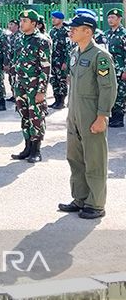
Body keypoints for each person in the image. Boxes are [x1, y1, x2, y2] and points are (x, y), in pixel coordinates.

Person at [58, 12, 116, 219]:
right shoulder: (75, 52)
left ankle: (96, 203)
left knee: (95, 160)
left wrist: (102, 116)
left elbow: (108, 88)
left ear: (87, 31)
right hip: (74, 114)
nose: (70, 30)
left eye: (75, 28)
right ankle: (80, 198)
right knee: (75, 158)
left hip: (92, 115)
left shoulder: (100, 56)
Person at [10, 10, 51, 163]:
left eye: (25, 21)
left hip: (34, 86)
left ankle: (36, 150)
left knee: (36, 117)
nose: (21, 23)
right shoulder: (19, 39)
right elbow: (16, 62)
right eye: (21, 20)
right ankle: (27, 147)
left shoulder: (42, 40)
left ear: (33, 24)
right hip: (21, 85)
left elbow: (46, 67)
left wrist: (41, 91)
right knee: (24, 116)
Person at [104, 8, 126, 127]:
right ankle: (112, 116)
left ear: (119, 19)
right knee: (110, 92)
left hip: (120, 69)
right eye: (109, 17)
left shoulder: (123, 34)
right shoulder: (107, 34)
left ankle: (119, 118)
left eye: (113, 17)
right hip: (108, 69)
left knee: (120, 94)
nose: (110, 20)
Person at [49, 11, 70, 109]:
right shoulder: (52, 31)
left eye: (55, 18)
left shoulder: (66, 32)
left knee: (62, 80)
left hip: (61, 61)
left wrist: (66, 62)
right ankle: (56, 99)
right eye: (52, 18)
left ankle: (61, 101)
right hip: (53, 60)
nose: (53, 20)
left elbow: (69, 48)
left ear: (61, 20)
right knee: (54, 80)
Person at [5, 19, 21, 102]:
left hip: (17, 62)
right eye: (9, 24)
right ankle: (13, 94)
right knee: (11, 79)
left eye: (12, 24)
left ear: (17, 26)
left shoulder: (20, 36)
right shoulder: (10, 36)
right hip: (11, 61)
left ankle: (17, 95)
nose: (10, 26)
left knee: (16, 79)